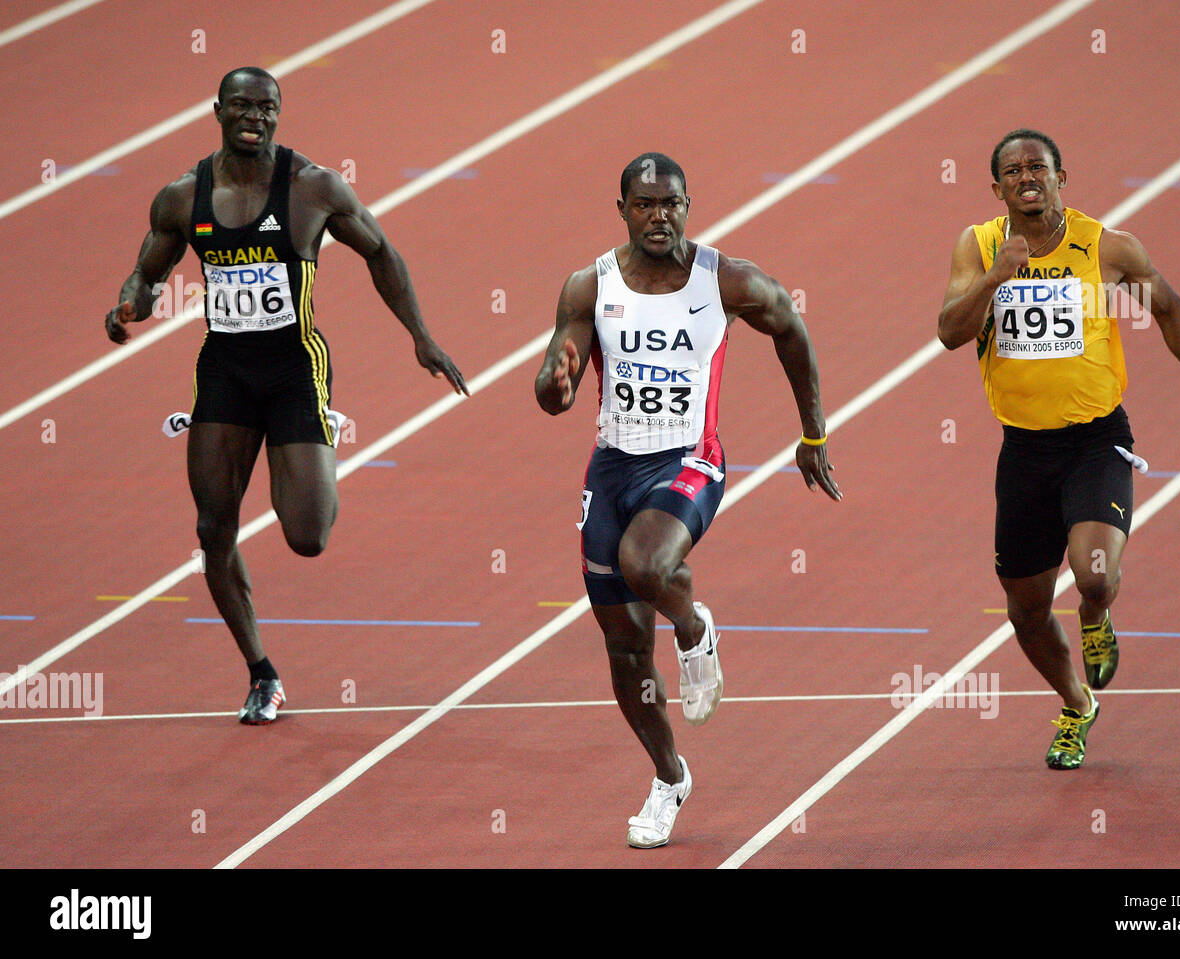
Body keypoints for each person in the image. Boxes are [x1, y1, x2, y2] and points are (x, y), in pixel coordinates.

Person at [105, 67, 467, 724]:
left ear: (279, 113)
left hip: (295, 367)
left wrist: (421, 335)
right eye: (242, 105)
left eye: (266, 107)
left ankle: (302, 438)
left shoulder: (311, 187)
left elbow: (380, 250)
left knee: (307, 534)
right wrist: (129, 303)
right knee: (214, 527)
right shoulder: (183, 198)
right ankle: (261, 672)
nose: (255, 116)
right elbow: (148, 271)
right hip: (225, 369)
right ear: (217, 109)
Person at [535, 152, 842, 848]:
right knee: (624, 649)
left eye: (669, 202)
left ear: (687, 205)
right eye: (643, 204)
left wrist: (813, 430)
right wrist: (555, 383)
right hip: (613, 466)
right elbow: (554, 385)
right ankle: (670, 776)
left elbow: (790, 326)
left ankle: (696, 628)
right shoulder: (590, 286)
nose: (658, 215)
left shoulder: (724, 279)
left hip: (689, 459)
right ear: (622, 210)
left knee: (645, 563)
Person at [938, 129, 1180, 769]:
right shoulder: (979, 245)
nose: (1026, 177)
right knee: (1027, 609)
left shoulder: (1107, 248)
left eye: (1037, 166)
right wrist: (994, 278)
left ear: (1062, 176)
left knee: (1093, 571)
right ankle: (1076, 706)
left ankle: (1096, 611)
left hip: (1096, 441)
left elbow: (1171, 309)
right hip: (1023, 451)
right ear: (997, 189)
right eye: (1012, 171)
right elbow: (949, 333)